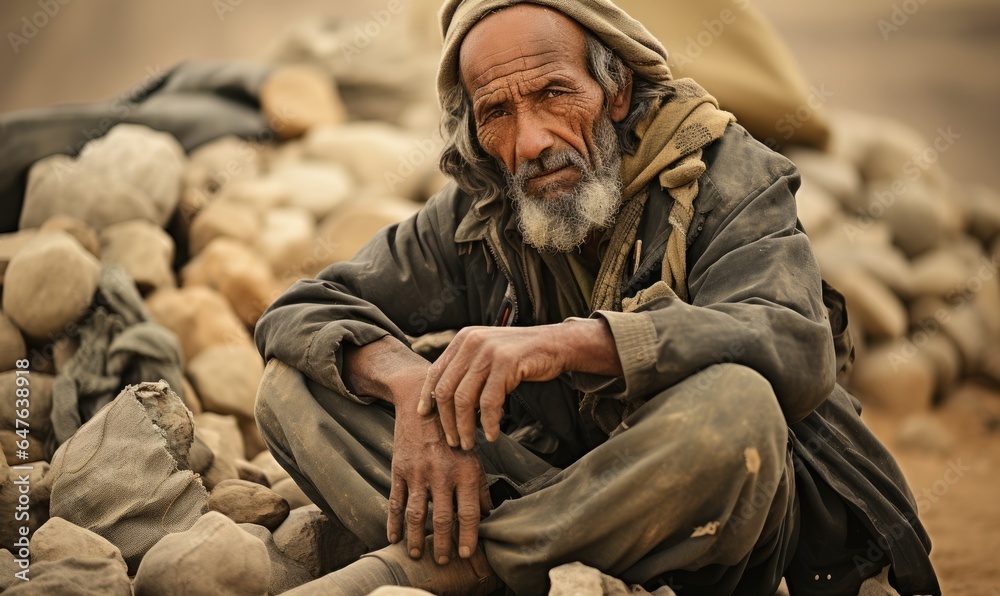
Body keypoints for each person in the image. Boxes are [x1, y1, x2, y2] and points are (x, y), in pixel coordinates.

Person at [254, 1, 940, 594]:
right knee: (293, 386)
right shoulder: (483, 208)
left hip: (694, 522)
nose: (532, 141)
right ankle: (533, 557)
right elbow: (302, 308)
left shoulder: (727, 175)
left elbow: (795, 345)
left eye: (555, 93)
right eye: (497, 112)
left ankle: (461, 567)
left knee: (740, 408)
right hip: (562, 484)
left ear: (614, 88)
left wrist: (575, 342)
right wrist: (411, 391)